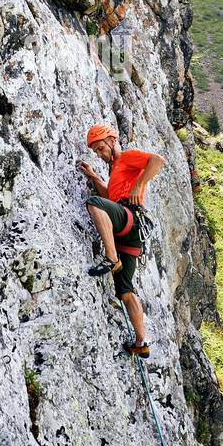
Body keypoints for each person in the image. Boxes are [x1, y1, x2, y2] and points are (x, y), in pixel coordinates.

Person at [78, 124, 164, 357]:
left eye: (100, 148)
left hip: (130, 218)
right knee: (125, 289)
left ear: (111, 140)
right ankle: (141, 342)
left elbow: (157, 161)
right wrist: (95, 176)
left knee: (93, 203)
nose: (99, 153)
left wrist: (139, 183)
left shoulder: (126, 156)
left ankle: (111, 257)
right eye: (95, 151)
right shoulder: (116, 169)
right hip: (131, 231)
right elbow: (112, 198)